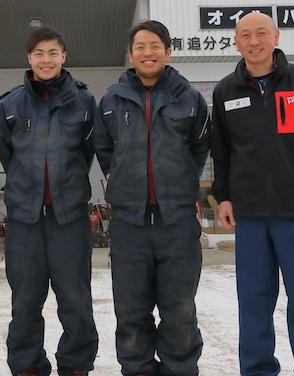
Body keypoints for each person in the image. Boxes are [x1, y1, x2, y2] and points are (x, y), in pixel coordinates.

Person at [210, 11, 294, 376]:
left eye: (261, 33)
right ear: (235, 42)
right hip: (250, 214)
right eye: (245, 35)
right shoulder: (226, 90)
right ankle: (257, 369)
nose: (254, 41)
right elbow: (221, 152)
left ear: (276, 37)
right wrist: (223, 196)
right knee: (253, 301)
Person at [94, 19, 211, 376]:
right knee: (131, 309)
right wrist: (124, 182)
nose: (148, 52)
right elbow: (103, 148)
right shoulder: (112, 100)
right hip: (129, 224)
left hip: (177, 223)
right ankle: (138, 369)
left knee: (179, 309)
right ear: (130, 54)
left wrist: (179, 183)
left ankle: (180, 369)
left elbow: (200, 148)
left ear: (168, 51)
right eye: (140, 46)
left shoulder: (188, 98)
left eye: (155, 46)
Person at [0, 27, 99, 376]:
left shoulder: (83, 101)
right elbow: (9, 156)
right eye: (39, 53)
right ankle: (27, 366)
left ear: (64, 57)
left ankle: (76, 366)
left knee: (76, 300)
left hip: (68, 217)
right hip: (24, 219)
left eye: (53, 53)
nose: (46, 60)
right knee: (25, 301)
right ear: (29, 58)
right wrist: (31, 189)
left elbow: (86, 153)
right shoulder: (9, 105)